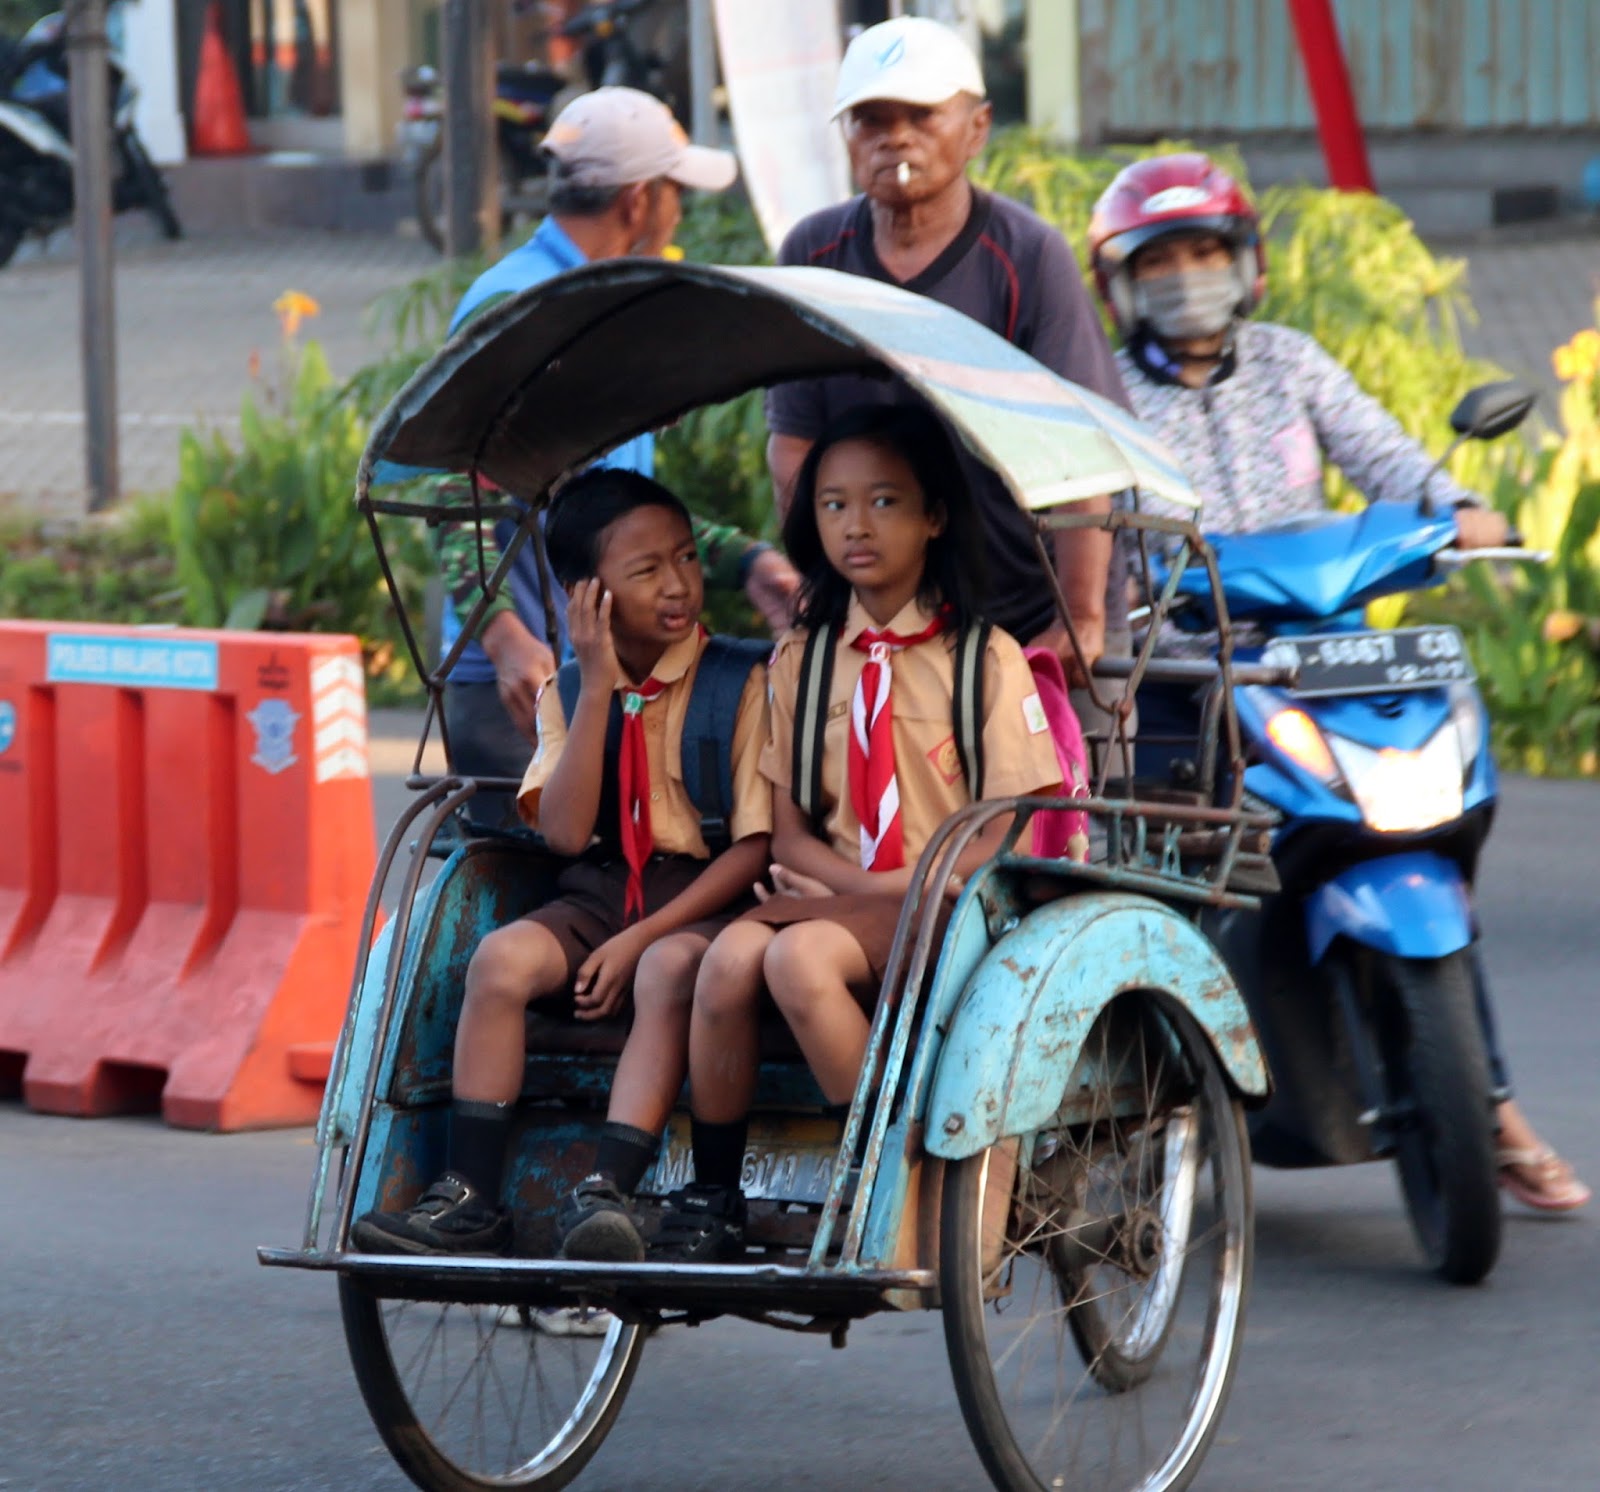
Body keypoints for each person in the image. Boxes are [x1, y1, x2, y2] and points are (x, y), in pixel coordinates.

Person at [1087, 150, 1589, 1214]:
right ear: (1118, 283)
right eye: (1158, 260)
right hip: (1182, 667)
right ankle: (1145, 1104)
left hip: (1327, 657)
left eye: (1204, 252)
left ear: (1247, 263)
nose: (1185, 275)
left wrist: (1456, 509)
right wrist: (1105, 592)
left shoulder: (1291, 361)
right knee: (1160, 878)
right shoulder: (1103, 395)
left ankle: (1487, 1101)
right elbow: (1085, 528)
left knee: (1411, 836)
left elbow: (1386, 457)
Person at [650, 405, 1065, 1260]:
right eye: (834, 505)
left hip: (948, 903)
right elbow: (790, 833)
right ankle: (715, 1196)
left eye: (884, 502)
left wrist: (883, 889)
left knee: (796, 959)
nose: (856, 526)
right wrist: (848, 890)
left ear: (934, 517)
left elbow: (1003, 836)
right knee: (726, 960)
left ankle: (884, 1171)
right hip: (835, 895)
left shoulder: (984, 658)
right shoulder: (803, 660)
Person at [353, 468, 772, 1258]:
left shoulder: (741, 681)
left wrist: (639, 940)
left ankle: (607, 1187)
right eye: (647, 571)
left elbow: (755, 847)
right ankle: (471, 1199)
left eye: (686, 559)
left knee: (662, 970)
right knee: (499, 960)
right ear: (588, 595)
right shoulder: (572, 690)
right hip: (601, 889)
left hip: (709, 895)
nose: (677, 585)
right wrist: (598, 686)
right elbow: (569, 835)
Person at [433, 86, 800, 825]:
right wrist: (505, 642)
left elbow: (611, 506)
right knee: (532, 879)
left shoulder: (601, 304)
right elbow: (449, 491)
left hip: (604, 669)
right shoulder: (521, 307)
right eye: (675, 194)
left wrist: (748, 561)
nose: (678, 215)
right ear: (639, 200)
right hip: (523, 681)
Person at [763, 15, 1131, 703]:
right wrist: (823, 588)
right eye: (871, 120)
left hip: (1031, 604)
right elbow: (795, 447)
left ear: (977, 128)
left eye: (921, 116)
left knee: (1070, 769)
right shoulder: (813, 254)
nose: (895, 137)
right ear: (846, 136)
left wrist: (1081, 615)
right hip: (882, 612)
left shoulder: (1027, 255)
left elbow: (1084, 449)